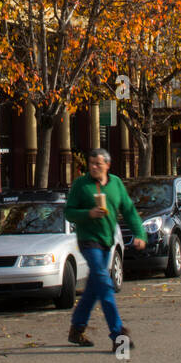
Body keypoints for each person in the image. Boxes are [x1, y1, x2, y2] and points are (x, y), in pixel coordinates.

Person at [64, 148, 146, 351]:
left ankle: (77, 328)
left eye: (97, 164)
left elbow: (128, 210)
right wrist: (88, 213)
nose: (93, 167)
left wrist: (140, 234)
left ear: (107, 165)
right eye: (91, 163)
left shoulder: (116, 184)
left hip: (107, 241)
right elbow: (69, 213)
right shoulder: (80, 185)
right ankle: (118, 334)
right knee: (104, 283)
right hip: (88, 241)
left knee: (93, 288)